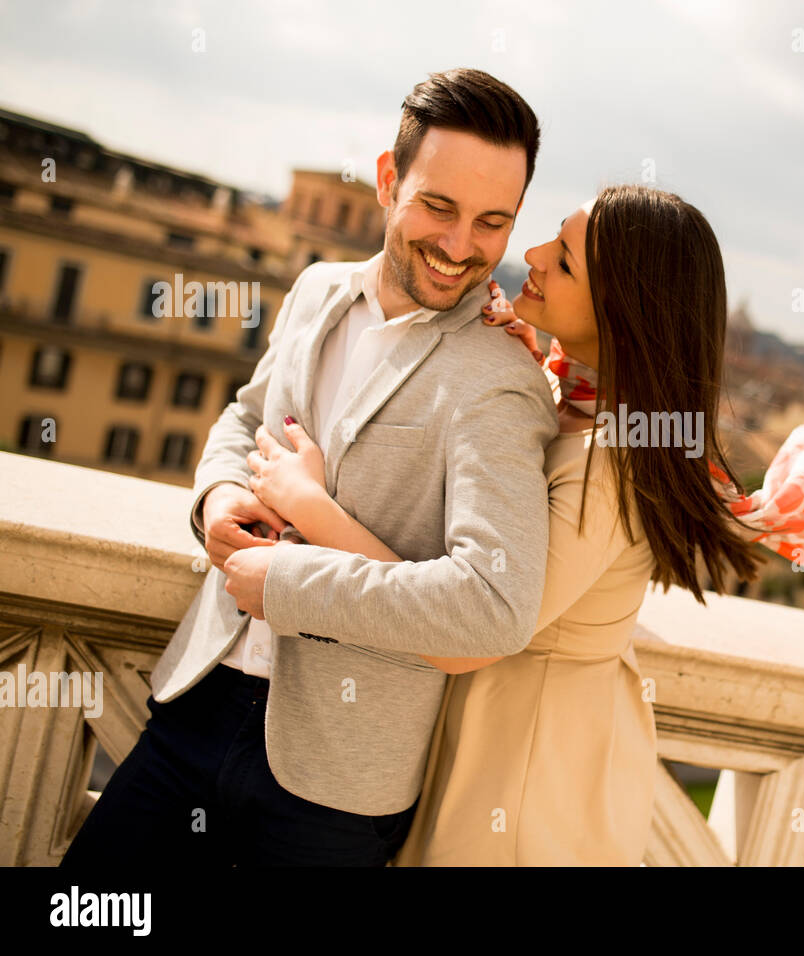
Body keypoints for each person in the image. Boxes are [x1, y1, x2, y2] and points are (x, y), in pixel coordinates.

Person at [230, 184, 804, 865]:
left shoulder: (609, 468)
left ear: (623, 314)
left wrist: (309, 507)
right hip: (529, 729)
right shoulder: (593, 417)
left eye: (566, 259)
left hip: (525, 758)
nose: (532, 252)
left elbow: (470, 630)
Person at [60, 68, 555, 867]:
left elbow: (492, 608)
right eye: (438, 206)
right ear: (389, 181)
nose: (461, 247)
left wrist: (286, 584)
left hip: (334, 786)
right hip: (196, 699)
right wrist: (218, 497)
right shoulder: (318, 287)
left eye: (491, 222)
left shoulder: (500, 378)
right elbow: (246, 415)